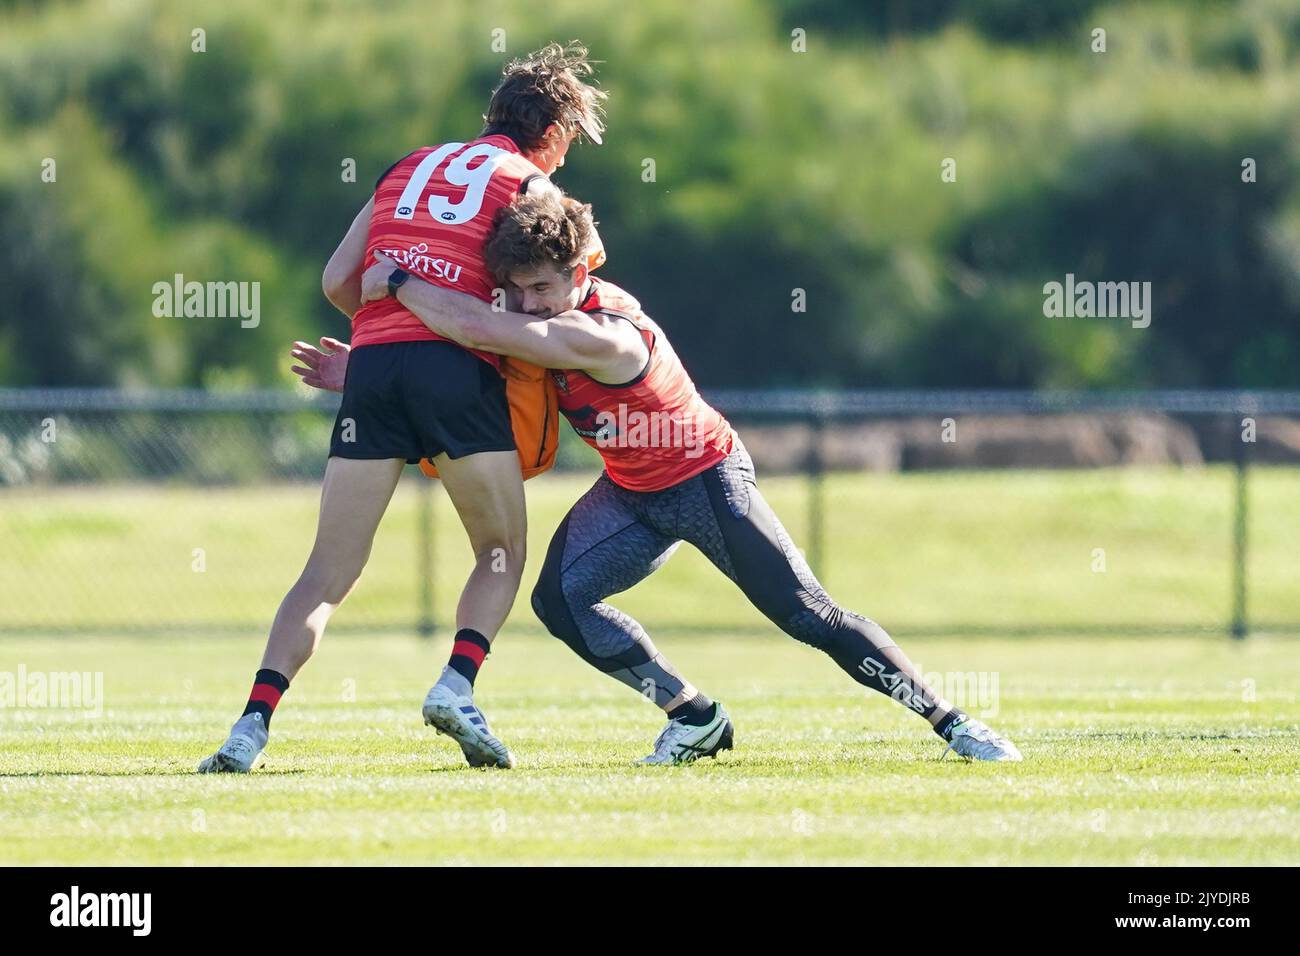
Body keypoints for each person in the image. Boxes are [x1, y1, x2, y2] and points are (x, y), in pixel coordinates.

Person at [292, 193, 1024, 764]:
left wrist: (397, 280)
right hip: (632, 496)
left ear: (582, 274)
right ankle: (693, 716)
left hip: (706, 482)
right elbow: (473, 357)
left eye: (544, 285)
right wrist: (362, 372)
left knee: (810, 616)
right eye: (518, 288)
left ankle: (953, 720)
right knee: (560, 602)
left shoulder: (601, 332)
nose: (531, 300)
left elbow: (487, 332)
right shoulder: (530, 320)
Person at [198, 43, 607, 773]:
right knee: (501, 553)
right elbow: (573, 284)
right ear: (555, 132)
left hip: (375, 367)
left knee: (327, 572)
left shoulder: (407, 164)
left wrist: (387, 333)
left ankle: (249, 727)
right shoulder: (530, 183)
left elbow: (336, 280)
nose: (564, 161)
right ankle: (457, 685)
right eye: (569, 143)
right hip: (456, 366)